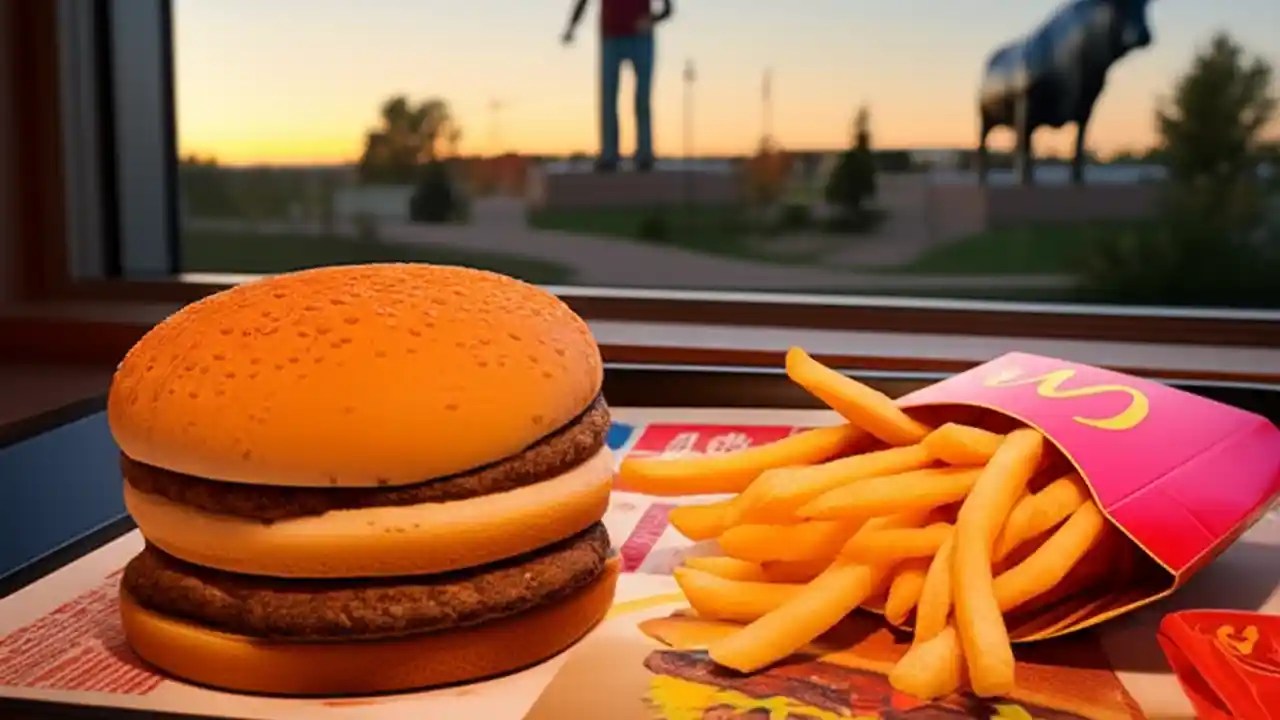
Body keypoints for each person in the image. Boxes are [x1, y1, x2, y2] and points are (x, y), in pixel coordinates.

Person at [562, 0, 673, 173]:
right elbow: (582, 2)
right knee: (608, 98)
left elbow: (668, 9)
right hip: (611, 37)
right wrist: (571, 27)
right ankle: (609, 155)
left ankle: (644, 155)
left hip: (641, 38)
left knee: (642, 99)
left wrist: (652, 19)